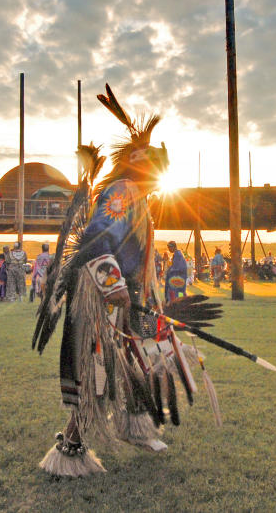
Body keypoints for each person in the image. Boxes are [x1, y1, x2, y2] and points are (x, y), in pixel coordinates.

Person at [31, 86, 224, 477]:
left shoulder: (138, 198)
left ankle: (136, 427)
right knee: (97, 373)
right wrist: (112, 282)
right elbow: (97, 240)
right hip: (101, 299)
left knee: (140, 360)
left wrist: (141, 292)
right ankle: (69, 452)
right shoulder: (123, 192)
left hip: (127, 298)